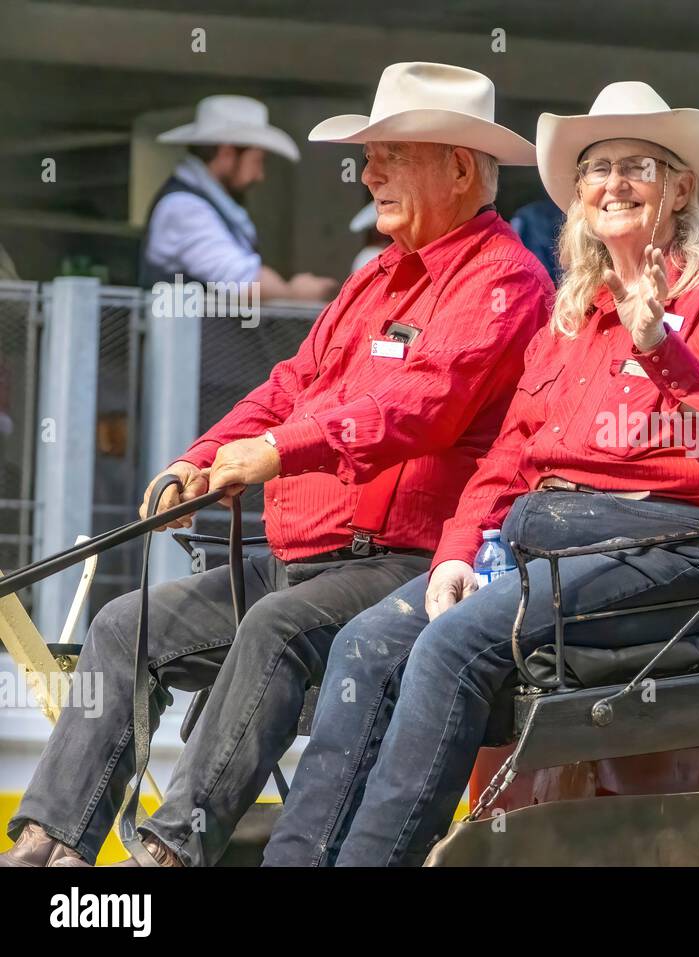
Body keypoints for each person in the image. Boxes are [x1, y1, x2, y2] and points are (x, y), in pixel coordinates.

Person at [0, 62, 550, 868]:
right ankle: (49, 844)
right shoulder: (373, 281)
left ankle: (169, 852)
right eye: (371, 155)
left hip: (404, 565)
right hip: (305, 560)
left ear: (460, 167)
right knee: (124, 623)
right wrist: (199, 457)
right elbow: (291, 382)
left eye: (392, 152)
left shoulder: (506, 281)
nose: (369, 172)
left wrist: (278, 450)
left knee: (275, 627)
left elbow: (426, 402)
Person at [263, 81, 699, 866]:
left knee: (450, 649)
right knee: (367, 642)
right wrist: (452, 553)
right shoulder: (570, 317)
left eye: (635, 165)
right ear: (578, 195)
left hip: (677, 544)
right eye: (595, 167)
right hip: (546, 540)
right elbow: (511, 457)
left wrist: (665, 351)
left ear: (680, 188)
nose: (612, 182)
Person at [140, 94, 337, 301]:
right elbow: (245, 283)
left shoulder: (205, 204)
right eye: (257, 161)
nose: (260, 175)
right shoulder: (182, 208)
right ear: (226, 154)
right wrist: (294, 292)